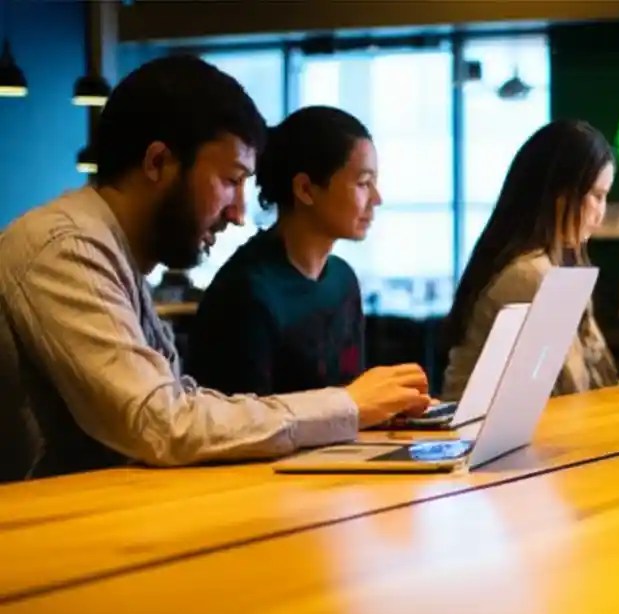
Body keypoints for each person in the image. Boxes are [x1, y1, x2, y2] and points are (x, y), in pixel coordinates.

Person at [0, 56, 429, 483]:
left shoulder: (115, 255)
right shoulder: (65, 247)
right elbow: (164, 425)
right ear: (157, 163)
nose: (240, 213)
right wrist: (347, 406)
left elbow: (179, 405)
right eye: (231, 180)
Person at [440, 119, 619, 400]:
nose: (600, 213)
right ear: (560, 195)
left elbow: (577, 396)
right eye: (597, 195)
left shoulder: (546, 267)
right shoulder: (529, 274)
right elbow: (570, 399)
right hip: (484, 442)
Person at [188, 106, 378, 396]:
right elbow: (244, 426)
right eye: (363, 183)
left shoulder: (342, 280)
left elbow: (358, 399)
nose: (376, 199)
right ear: (305, 189)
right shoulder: (247, 292)